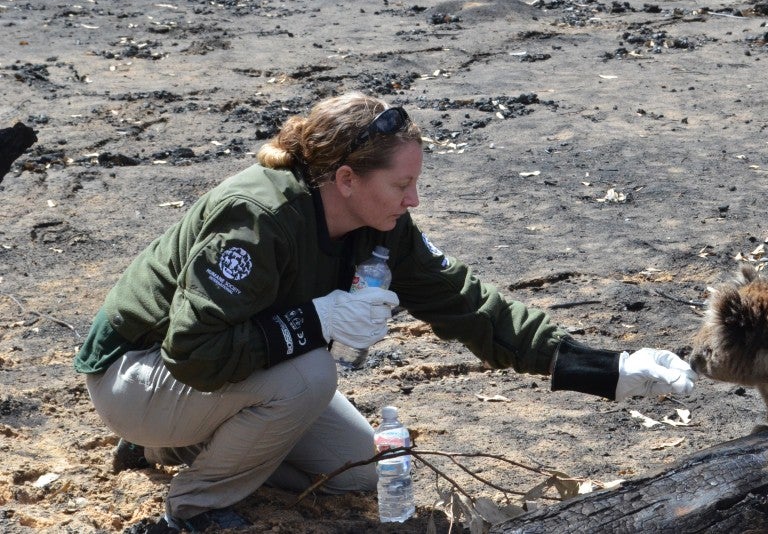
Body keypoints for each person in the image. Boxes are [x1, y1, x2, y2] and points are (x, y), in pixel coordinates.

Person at [74, 92, 696, 532]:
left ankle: (173, 449)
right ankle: (193, 508)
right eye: (402, 185)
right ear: (346, 178)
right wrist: (312, 322)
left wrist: (604, 369)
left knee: (359, 470)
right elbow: (195, 352)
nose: (415, 198)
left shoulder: (381, 225)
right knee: (311, 374)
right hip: (138, 374)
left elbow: (470, 306)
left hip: (206, 380)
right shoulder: (257, 219)